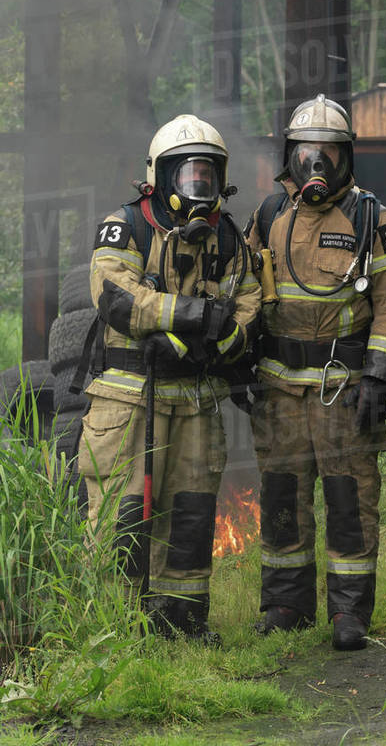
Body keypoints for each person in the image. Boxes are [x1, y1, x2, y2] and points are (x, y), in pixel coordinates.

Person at [79, 113, 260, 644]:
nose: (199, 186)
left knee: (191, 515)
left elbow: (248, 303)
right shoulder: (126, 226)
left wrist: (215, 343)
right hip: (130, 400)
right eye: (188, 175)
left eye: (207, 175)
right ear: (160, 177)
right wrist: (193, 314)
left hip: (197, 400)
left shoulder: (228, 238)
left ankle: (181, 624)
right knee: (124, 516)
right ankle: (114, 630)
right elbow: (114, 295)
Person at [246, 94, 386, 651]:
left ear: (346, 158)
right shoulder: (268, 216)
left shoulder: (374, 221)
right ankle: (285, 604)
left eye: (329, 153)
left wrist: (380, 377)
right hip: (278, 389)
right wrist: (238, 358)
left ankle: (348, 612)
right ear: (290, 156)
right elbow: (246, 290)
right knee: (282, 498)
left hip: (343, 389)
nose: (316, 164)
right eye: (306, 153)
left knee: (349, 501)